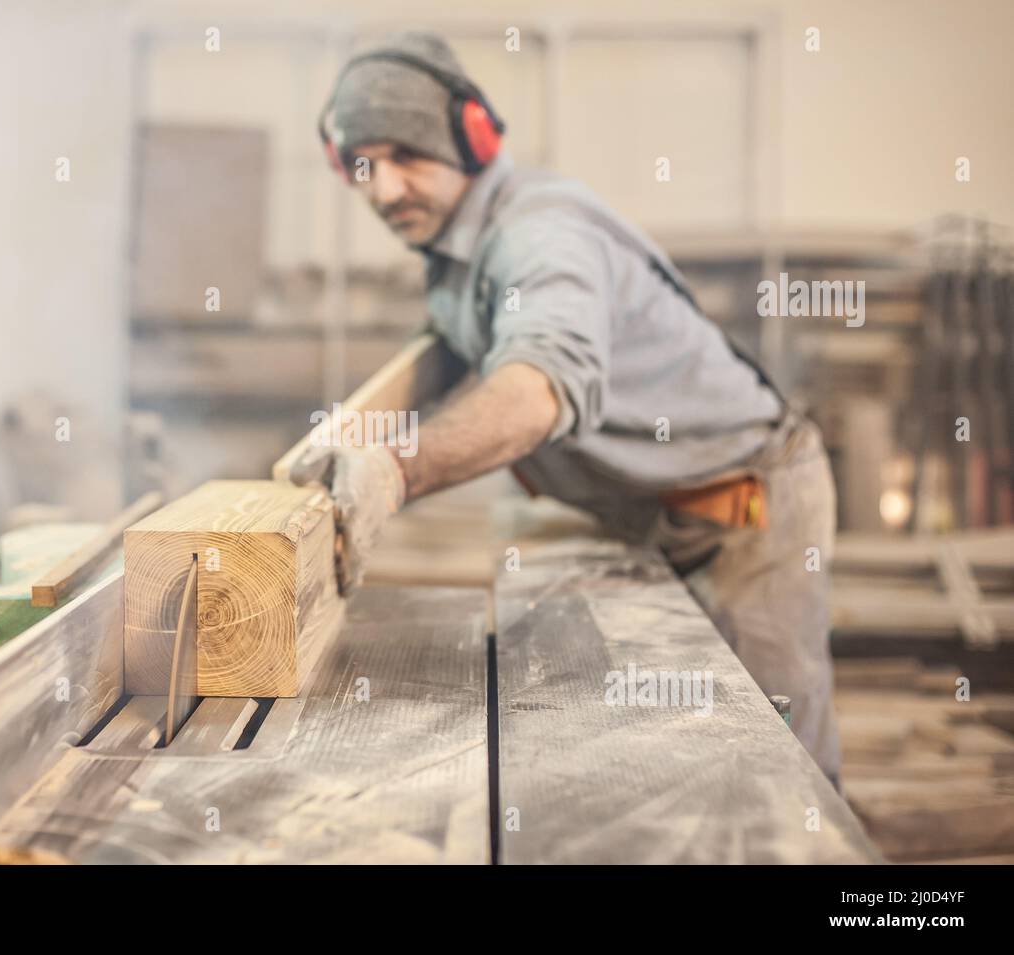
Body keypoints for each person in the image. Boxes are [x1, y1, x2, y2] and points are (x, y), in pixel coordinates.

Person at [289, 31, 841, 784]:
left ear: (473, 140)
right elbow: (448, 350)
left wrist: (392, 470)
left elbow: (539, 386)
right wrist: (350, 432)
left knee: (778, 759)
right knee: (688, 749)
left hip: (748, 505)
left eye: (405, 157)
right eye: (362, 166)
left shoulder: (541, 235)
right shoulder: (456, 244)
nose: (383, 190)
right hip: (651, 504)